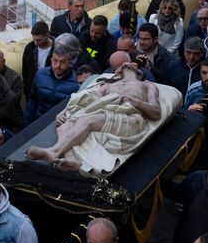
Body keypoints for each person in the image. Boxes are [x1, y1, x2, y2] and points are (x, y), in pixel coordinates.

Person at [25, 62, 178, 175]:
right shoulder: (109, 85)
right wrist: (64, 111)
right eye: (123, 65)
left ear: (138, 71)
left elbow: (156, 111)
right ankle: (72, 160)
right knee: (64, 126)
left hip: (128, 116)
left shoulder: (147, 85)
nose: (127, 64)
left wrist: (136, 102)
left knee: (87, 120)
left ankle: (54, 152)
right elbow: (83, 99)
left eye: (130, 64)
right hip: (104, 112)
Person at [26, 33, 83, 122]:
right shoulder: (40, 74)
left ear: (70, 63)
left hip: (60, 124)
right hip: (38, 122)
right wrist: (28, 123)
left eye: (63, 62)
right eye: (55, 61)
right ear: (51, 59)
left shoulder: (77, 82)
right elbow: (32, 102)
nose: (58, 66)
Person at [21, 21, 53, 101]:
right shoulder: (30, 48)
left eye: (39, 40)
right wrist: (27, 92)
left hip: (50, 91)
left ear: (47, 35)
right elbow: (25, 72)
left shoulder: (57, 49)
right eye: (34, 39)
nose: (35, 43)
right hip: (33, 91)